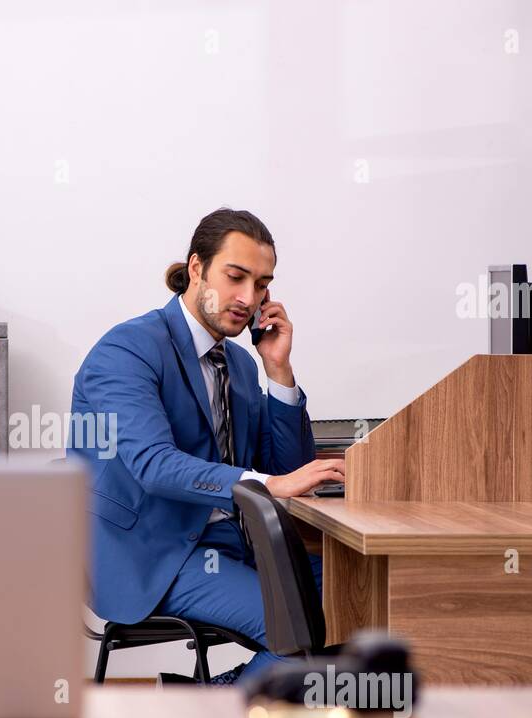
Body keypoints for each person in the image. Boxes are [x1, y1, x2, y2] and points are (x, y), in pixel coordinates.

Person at [67, 207, 344, 684]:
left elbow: (286, 470)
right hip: (154, 553)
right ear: (196, 268)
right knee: (299, 630)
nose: (247, 297)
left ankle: (200, 700)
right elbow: (153, 465)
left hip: (231, 542)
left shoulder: (237, 363)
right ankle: (205, 712)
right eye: (235, 277)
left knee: (358, 596)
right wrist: (271, 483)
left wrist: (278, 371)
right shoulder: (127, 350)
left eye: (261, 284)